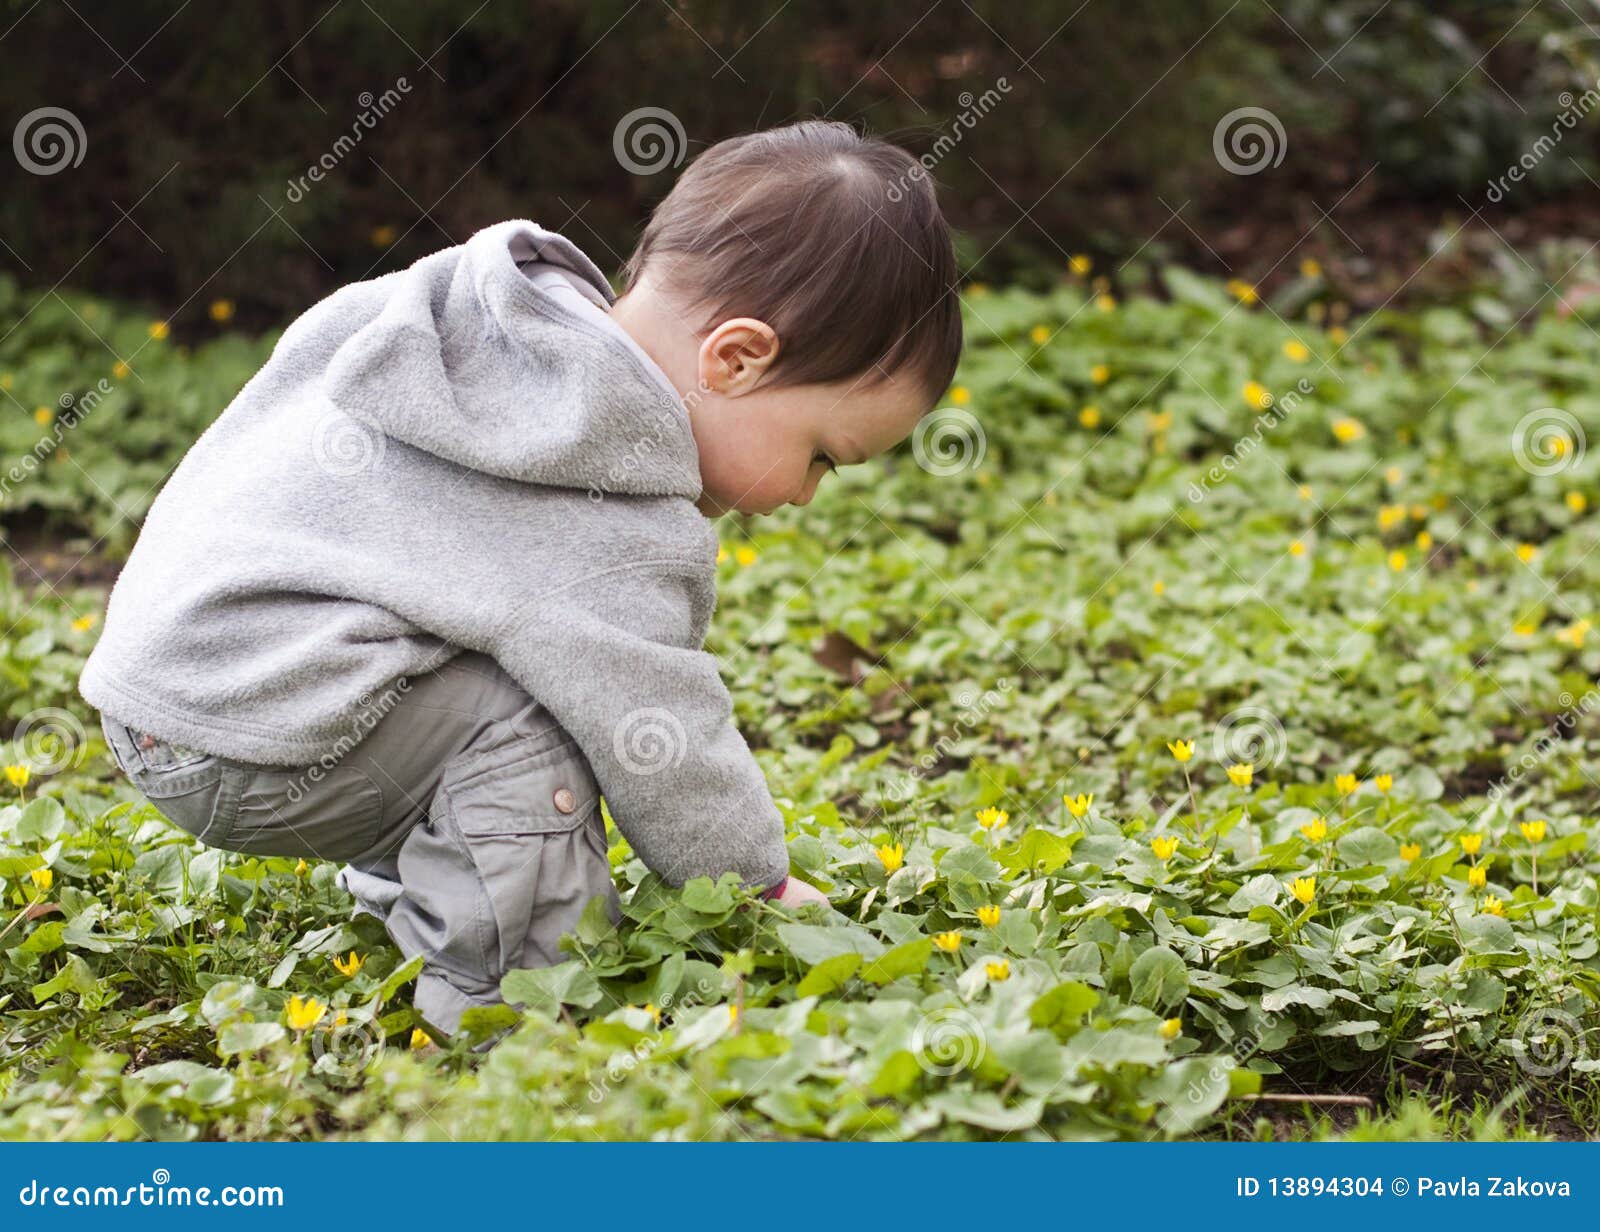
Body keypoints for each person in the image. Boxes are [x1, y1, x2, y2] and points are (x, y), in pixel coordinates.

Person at [80, 119, 964, 1034]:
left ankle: (428, 887)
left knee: (475, 665)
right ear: (735, 359)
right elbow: (658, 727)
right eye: (822, 455)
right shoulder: (612, 493)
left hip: (163, 687)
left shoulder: (476, 319)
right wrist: (754, 880)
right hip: (257, 736)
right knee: (540, 720)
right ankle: (510, 1012)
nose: (808, 495)